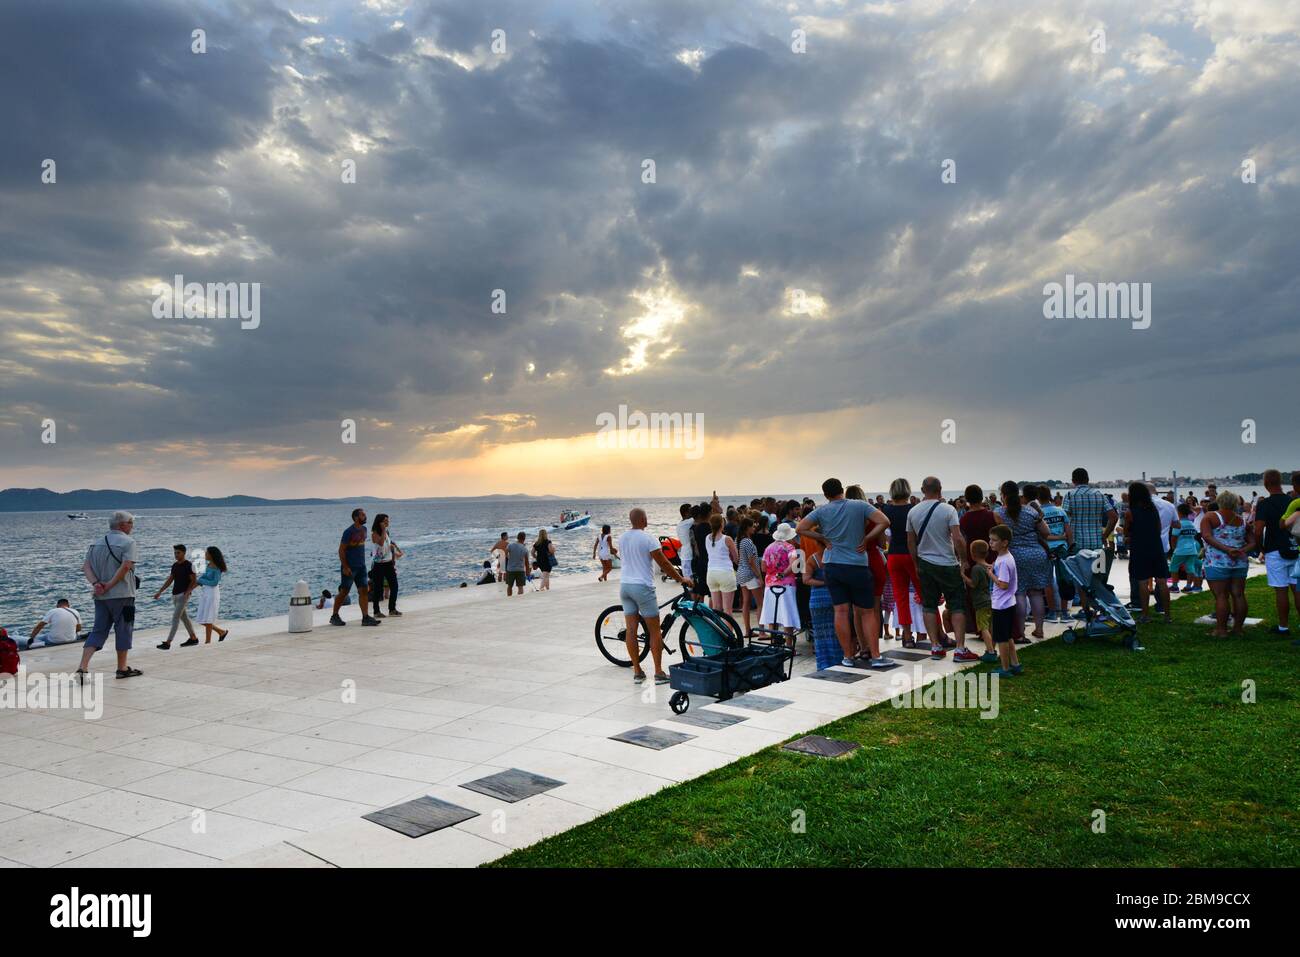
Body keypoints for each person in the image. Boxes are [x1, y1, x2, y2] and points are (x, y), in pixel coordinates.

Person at [796, 478, 891, 668]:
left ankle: (848, 656)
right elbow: (884, 521)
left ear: (825, 495)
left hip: (832, 564)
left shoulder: (821, 511)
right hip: (857, 564)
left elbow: (800, 528)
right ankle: (875, 655)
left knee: (840, 611)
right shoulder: (859, 506)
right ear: (842, 490)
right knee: (866, 612)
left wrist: (821, 536)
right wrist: (868, 538)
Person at [618, 507, 692, 684]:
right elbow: (664, 563)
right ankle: (658, 673)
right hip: (642, 587)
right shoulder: (648, 538)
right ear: (643, 519)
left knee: (631, 630)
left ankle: (637, 671)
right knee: (654, 631)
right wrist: (681, 578)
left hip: (625, 586)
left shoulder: (622, 538)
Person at [906, 476, 973, 661]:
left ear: (922, 489)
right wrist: (964, 560)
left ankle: (935, 646)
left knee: (929, 605)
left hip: (925, 563)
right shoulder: (948, 509)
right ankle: (959, 648)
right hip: (947, 563)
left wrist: (916, 563)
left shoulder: (913, 512)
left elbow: (911, 541)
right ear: (940, 489)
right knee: (957, 605)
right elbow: (958, 538)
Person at [76, 511, 142, 682]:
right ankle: (122, 668)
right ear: (121, 525)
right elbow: (126, 566)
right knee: (123, 629)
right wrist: (109, 585)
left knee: (98, 630)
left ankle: (82, 667)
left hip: (100, 597)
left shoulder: (96, 544)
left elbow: (86, 567)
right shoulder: (128, 543)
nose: (132, 526)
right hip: (123, 595)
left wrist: (96, 584)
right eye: (131, 522)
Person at [995, 481, 1051, 642]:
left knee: (1019, 594)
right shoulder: (1030, 511)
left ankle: (1020, 632)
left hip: (1015, 556)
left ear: (1003, 496)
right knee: (1036, 593)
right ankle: (1039, 629)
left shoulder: (998, 513)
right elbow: (1046, 532)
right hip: (1036, 554)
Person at [1062, 468, 1117, 619]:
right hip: (1096, 543)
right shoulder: (1099, 495)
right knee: (1096, 577)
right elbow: (1113, 516)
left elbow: (1065, 520)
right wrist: (1104, 534)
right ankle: (1099, 606)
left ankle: (1085, 609)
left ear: (1073, 480)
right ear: (1088, 479)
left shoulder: (1069, 495)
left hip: (1078, 544)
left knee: (1081, 578)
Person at [1200, 490, 1254, 637]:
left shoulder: (1210, 516)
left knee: (1221, 595)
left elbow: (1207, 536)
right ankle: (1238, 629)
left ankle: (1221, 630)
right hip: (1240, 562)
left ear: (1219, 501)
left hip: (1217, 562)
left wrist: (1227, 549)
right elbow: (1253, 542)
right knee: (1239, 595)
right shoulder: (1242, 520)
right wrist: (1241, 550)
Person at [1254, 469, 1299, 636]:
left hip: (1274, 549)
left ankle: (1283, 627)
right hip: (1294, 547)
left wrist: (1261, 548)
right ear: (1281, 482)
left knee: (1281, 590)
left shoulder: (1264, 504)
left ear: (1266, 484)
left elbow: (1258, 531)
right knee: (1297, 589)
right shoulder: (1293, 501)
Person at [882, 479, 924, 647]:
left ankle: (907, 637)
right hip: (911, 554)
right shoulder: (913, 510)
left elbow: (885, 533)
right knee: (924, 593)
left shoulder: (886, 510)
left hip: (893, 555)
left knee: (900, 597)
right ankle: (931, 633)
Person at [1123, 482, 1171, 624]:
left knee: (1143, 582)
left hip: (1140, 549)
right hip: (1156, 547)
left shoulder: (1130, 512)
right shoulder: (1153, 509)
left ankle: (1145, 615)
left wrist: (1127, 536)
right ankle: (1167, 615)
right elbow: (1159, 527)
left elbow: (1127, 531)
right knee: (1162, 582)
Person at [332, 508, 381, 627]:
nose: (365, 517)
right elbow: (341, 550)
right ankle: (334, 616)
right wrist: (345, 566)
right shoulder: (348, 532)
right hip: (350, 567)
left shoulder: (364, 529)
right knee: (344, 591)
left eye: (365, 514)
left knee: (364, 591)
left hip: (361, 567)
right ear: (356, 518)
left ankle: (365, 617)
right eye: (363, 515)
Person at [988, 525, 1023, 677]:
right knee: (1007, 636)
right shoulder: (1006, 557)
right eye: (990, 539)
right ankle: (1015, 664)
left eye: (994, 540)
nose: (991, 543)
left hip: (1001, 605)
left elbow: (1003, 584)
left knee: (1001, 638)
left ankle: (1005, 667)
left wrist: (991, 575)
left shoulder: (1002, 561)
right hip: (1009, 602)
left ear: (1004, 542)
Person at [760, 523, 800, 646]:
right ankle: (789, 646)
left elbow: (763, 567)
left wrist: (774, 573)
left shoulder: (768, 548)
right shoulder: (790, 548)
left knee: (772, 614)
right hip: (787, 585)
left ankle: (774, 643)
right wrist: (783, 574)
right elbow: (793, 566)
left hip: (770, 585)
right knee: (787, 614)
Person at [1037, 485, 1072, 622]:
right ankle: (1064, 613)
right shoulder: (1060, 511)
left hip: (1046, 548)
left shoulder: (1038, 514)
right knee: (1064, 579)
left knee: (1048, 581)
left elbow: (1040, 536)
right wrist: (1069, 546)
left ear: (1038, 498)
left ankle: (1051, 613)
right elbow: (1068, 532)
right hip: (1062, 548)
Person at [154, 544, 198, 649]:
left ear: (184, 553)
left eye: (178, 552)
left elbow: (194, 580)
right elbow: (170, 579)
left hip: (183, 596)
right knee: (184, 618)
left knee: (175, 618)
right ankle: (193, 638)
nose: (176, 554)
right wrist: (160, 591)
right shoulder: (175, 565)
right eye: (175, 553)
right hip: (174, 595)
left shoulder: (189, 565)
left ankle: (168, 642)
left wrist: (187, 592)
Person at [964, 540, 999, 662]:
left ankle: (990, 652)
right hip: (992, 600)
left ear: (973, 554)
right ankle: (992, 649)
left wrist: (962, 575)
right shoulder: (989, 567)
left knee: (983, 627)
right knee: (991, 627)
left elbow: (973, 584)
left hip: (981, 602)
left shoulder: (976, 569)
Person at [193, 546, 230, 643]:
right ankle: (221, 632)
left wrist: (201, 580)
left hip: (213, 593)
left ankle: (207, 642)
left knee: (208, 619)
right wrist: (189, 590)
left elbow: (214, 582)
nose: (205, 555)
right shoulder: (208, 565)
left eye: (206, 553)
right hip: (206, 593)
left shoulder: (217, 568)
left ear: (211, 555)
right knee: (201, 619)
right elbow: (200, 580)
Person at [369, 514, 403, 618]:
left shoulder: (387, 533)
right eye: (385, 521)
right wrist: (383, 530)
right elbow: (380, 542)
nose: (387, 522)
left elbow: (386, 545)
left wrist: (393, 549)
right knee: (378, 588)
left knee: (394, 586)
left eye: (387, 521)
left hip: (388, 563)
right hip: (379, 564)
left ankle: (392, 609)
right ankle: (376, 611)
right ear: (379, 522)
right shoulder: (374, 533)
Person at [734, 517, 763, 636]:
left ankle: (747, 630)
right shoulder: (748, 541)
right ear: (747, 528)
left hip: (741, 573)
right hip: (750, 574)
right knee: (760, 602)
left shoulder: (737, 540)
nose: (754, 527)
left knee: (745, 603)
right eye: (752, 526)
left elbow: (736, 558)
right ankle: (762, 632)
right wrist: (759, 577)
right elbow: (751, 561)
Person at [1169, 503, 1204, 592]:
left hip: (1180, 550)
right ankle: (1188, 586)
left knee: (1174, 567)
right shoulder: (1191, 523)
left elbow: (1174, 538)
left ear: (1179, 512)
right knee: (1190, 567)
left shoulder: (1178, 524)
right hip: (1192, 549)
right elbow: (1194, 534)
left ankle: (1175, 586)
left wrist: (1173, 549)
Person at [506, 531, 531, 596]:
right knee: (520, 587)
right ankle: (519, 600)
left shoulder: (510, 545)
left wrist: (508, 557)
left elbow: (505, 552)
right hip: (520, 570)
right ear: (524, 538)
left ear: (517, 537)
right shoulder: (525, 549)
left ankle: (509, 599)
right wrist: (528, 573)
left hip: (511, 569)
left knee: (509, 586)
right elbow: (527, 563)